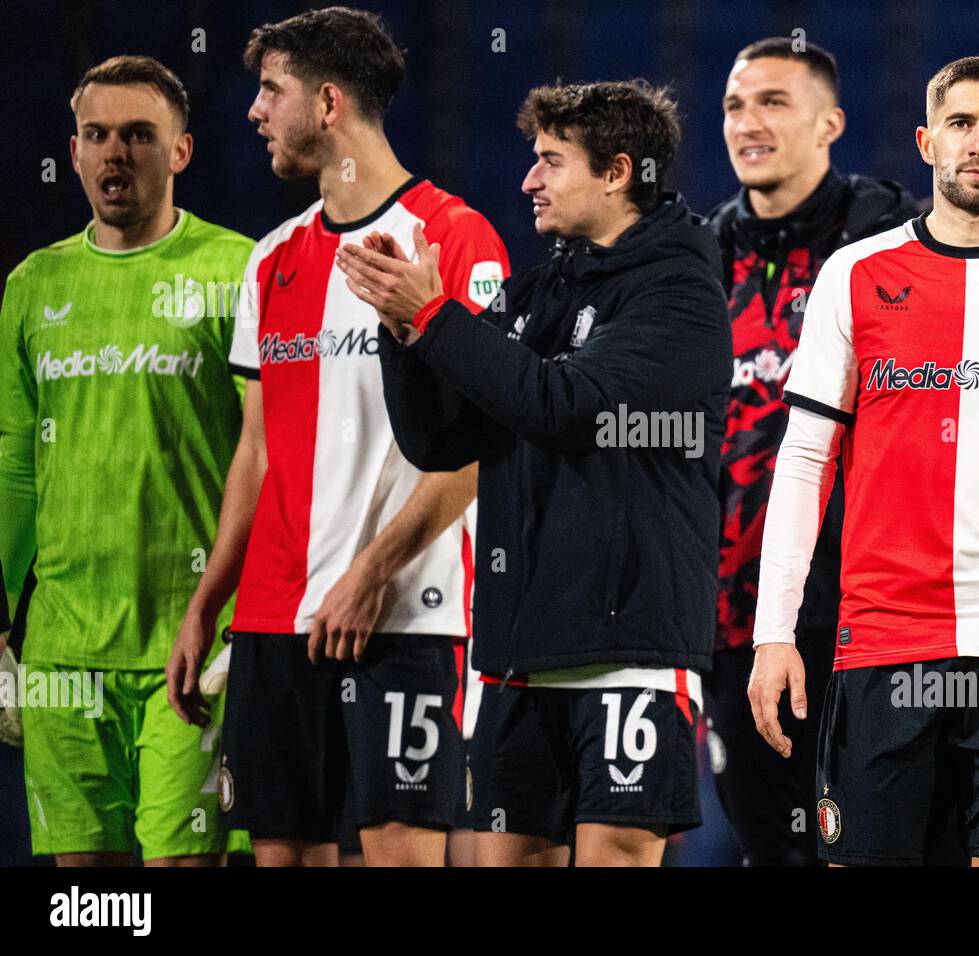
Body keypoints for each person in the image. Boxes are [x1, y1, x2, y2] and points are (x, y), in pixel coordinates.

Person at [336, 79, 731, 866]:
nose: (529, 181)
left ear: (617, 173)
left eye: (551, 161)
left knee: (614, 853)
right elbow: (441, 440)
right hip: (523, 648)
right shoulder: (542, 288)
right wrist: (399, 328)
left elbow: (567, 407)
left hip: (631, 648)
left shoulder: (679, 292)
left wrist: (434, 316)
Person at [749, 55, 979, 866]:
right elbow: (806, 459)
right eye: (961, 123)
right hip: (887, 636)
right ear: (928, 142)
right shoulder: (854, 275)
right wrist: (773, 631)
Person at [167, 7, 507, 868]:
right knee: (281, 855)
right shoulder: (272, 257)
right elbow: (257, 449)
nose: (252, 112)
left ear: (326, 103)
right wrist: (212, 602)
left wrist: (371, 572)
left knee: (400, 853)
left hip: (408, 617)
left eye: (269, 90)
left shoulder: (455, 238)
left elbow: (481, 450)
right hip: (275, 619)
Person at [0, 56, 253, 865]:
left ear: (180, 151)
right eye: (97, 135)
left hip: (192, 645)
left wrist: (248, 617)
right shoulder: (34, 285)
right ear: (72, 152)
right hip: (62, 654)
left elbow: (276, 454)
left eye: (139, 135)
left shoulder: (237, 271)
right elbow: (13, 463)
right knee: (89, 897)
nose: (115, 154)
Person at [707, 37, 918, 866]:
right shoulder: (695, 257)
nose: (747, 122)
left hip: (876, 616)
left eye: (772, 102)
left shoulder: (896, 240)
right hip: (739, 618)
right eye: (733, 105)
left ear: (829, 123)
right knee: (770, 848)